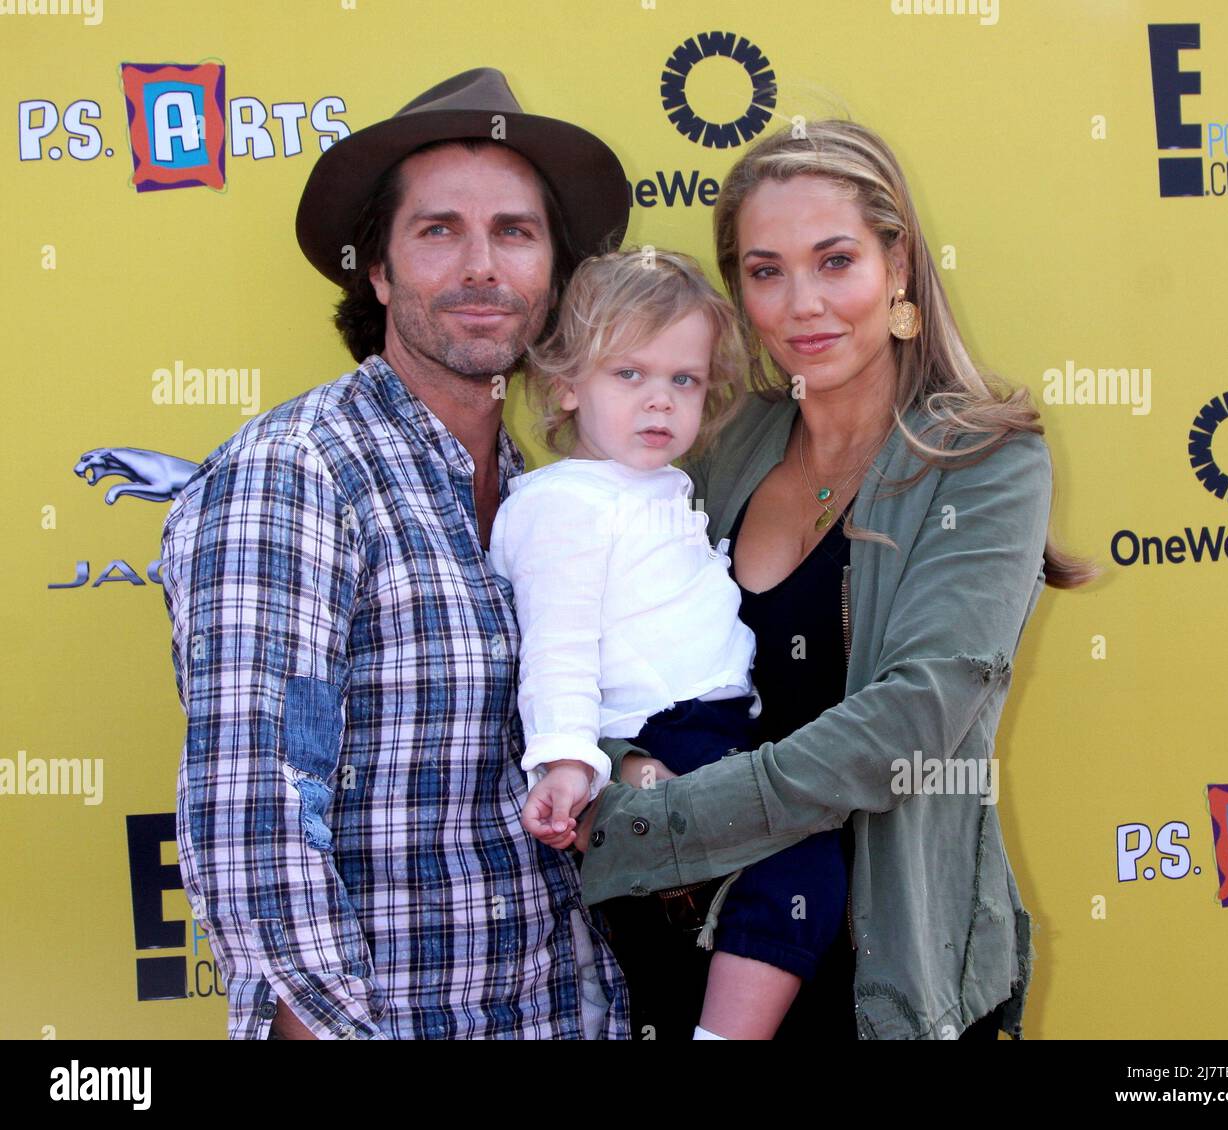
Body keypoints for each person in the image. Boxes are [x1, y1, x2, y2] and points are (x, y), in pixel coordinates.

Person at [575, 119, 1098, 1040]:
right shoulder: (720, 446)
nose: (802, 304)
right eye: (766, 270)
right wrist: (626, 762)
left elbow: (912, 719)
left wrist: (664, 820)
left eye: (835, 260)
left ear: (896, 265)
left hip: (884, 983)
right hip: (690, 958)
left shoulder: (982, 460)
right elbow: (613, 636)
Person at [159, 68, 633, 1039]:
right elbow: (258, 818)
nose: (481, 267)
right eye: (436, 230)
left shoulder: (547, 493)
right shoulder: (294, 474)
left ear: (554, 272)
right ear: (376, 271)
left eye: (513, 231)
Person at [487, 249, 853, 1040]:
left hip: (720, 732)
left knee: (783, 881)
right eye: (630, 375)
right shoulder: (566, 504)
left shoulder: (661, 484)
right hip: (663, 735)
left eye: (683, 380)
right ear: (566, 386)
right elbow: (557, 643)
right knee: (802, 864)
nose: (660, 401)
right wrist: (566, 758)